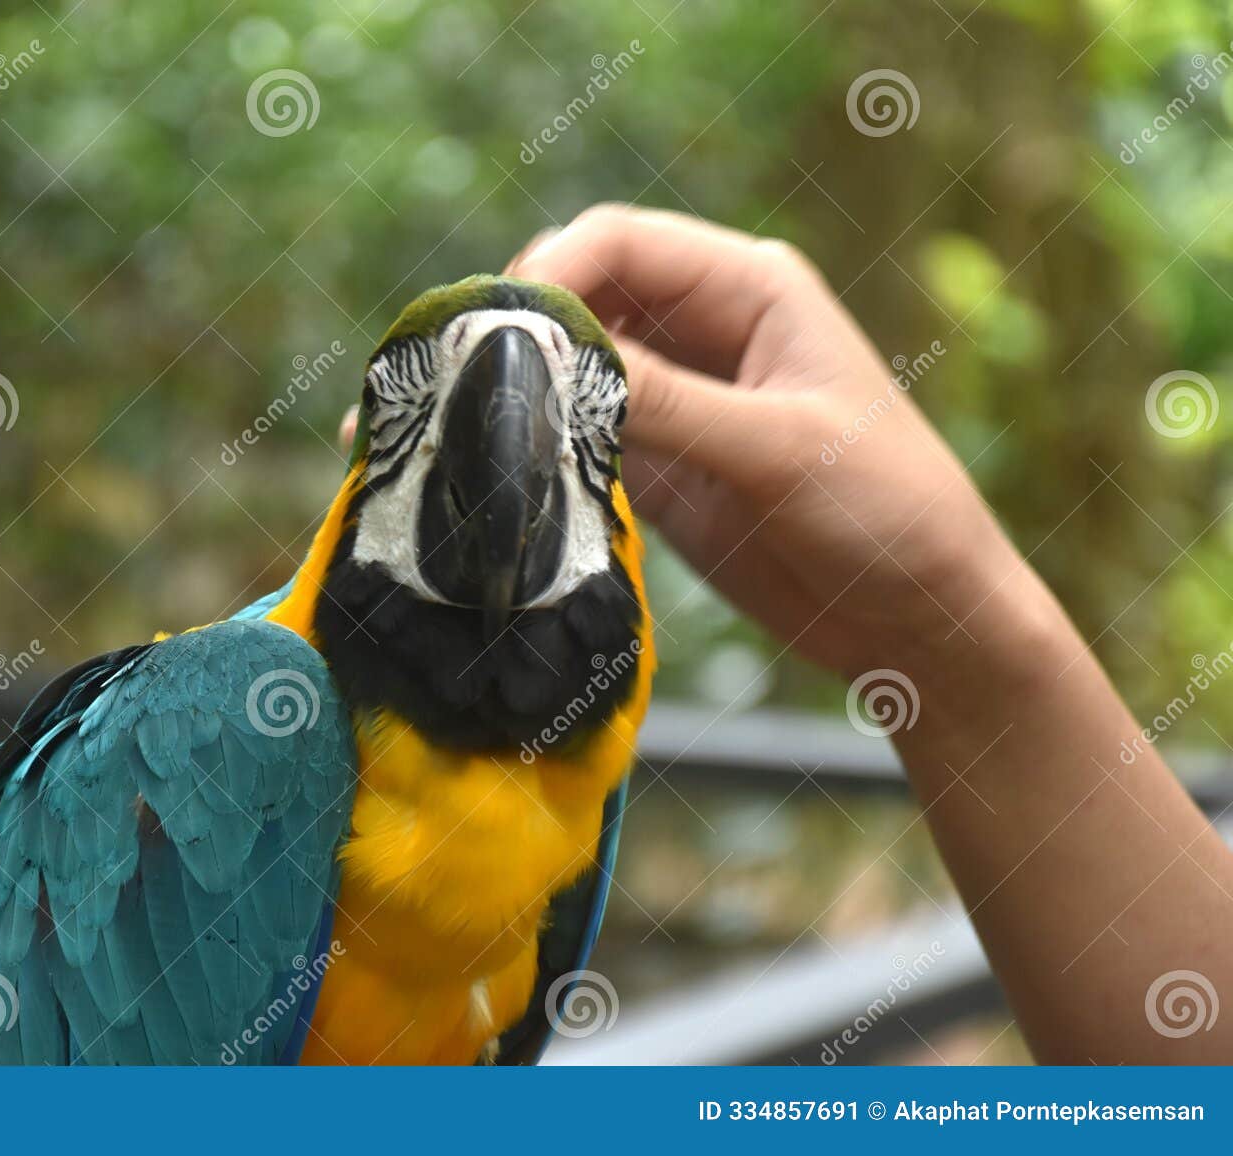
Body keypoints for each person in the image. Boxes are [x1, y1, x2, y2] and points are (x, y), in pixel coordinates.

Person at [349, 205, 1233, 1064]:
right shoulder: (254, 706)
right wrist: (946, 638)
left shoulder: (570, 790)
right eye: (394, 401)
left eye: (606, 408)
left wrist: (939, 630)